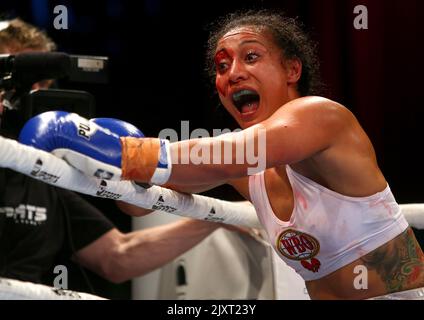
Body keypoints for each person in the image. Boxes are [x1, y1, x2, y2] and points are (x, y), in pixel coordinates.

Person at [31, 10, 424, 300]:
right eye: (222, 66)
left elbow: (232, 152)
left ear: (292, 69)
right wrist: (99, 157)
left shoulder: (322, 116)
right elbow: (139, 205)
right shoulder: (247, 170)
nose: (232, 73)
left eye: (251, 57)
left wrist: (125, 150)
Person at [0, 18, 226, 298]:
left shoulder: (47, 173)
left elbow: (117, 257)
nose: (25, 93)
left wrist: (217, 217)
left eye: (41, 81)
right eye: (16, 79)